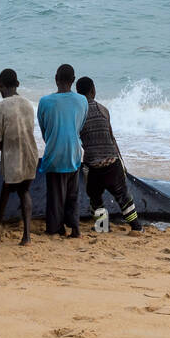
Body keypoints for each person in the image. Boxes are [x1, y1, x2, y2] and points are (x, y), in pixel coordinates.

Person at [77, 77, 143, 232]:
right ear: (93, 90)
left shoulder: (78, 112)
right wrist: (121, 162)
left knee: (95, 198)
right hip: (112, 161)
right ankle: (136, 227)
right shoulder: (103, 109)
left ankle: (102, 227)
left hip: (92, 164)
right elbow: (112, 138)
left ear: (78, 93)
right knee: (123, 197)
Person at [36, 64, 88, 238]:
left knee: (55, 196)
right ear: (73, 80)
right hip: (74, 152)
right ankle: (75, 229)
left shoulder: (45, 102)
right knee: (73, 194)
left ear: (55, 78)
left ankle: (56, 228)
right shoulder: (82, 101)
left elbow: (44, 131)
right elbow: (79, 126)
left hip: (54, 153)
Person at [0, 68, 39, 244]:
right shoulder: (28, 104)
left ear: (0, 86)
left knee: (10, 188)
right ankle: (26, 236)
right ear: (17, 84)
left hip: (13, 156)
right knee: (23, 190)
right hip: (31, 154)